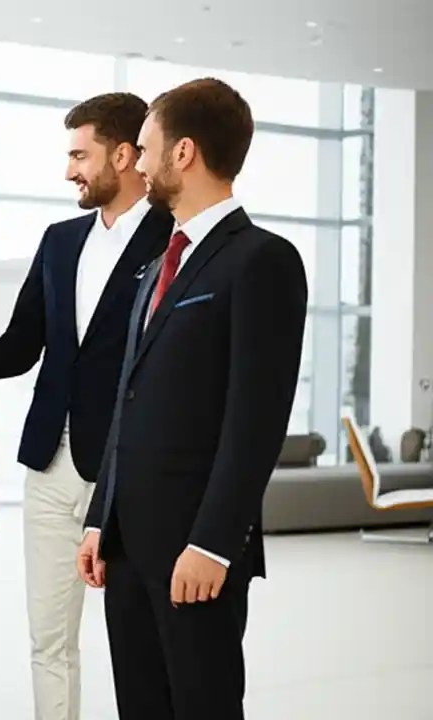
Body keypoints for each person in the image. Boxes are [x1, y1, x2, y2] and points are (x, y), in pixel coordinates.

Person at [76, 78, 308, 720]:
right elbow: (130, 399)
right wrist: (101, 516)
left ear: (183, 153)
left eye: (146, 148)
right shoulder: (155, 266)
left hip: (195, 550)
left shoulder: (262, 260)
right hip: (128, 546)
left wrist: (214, 543)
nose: (139, 164)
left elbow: (256, 420)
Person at [0, 91, 172, 720]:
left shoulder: (172, 239)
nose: (69, 170)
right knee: (49, 639)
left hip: (125, 470)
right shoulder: (60, 239)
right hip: (48, 463)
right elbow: (23, 341)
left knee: (137, 642)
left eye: (79, 154)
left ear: (123, 155)